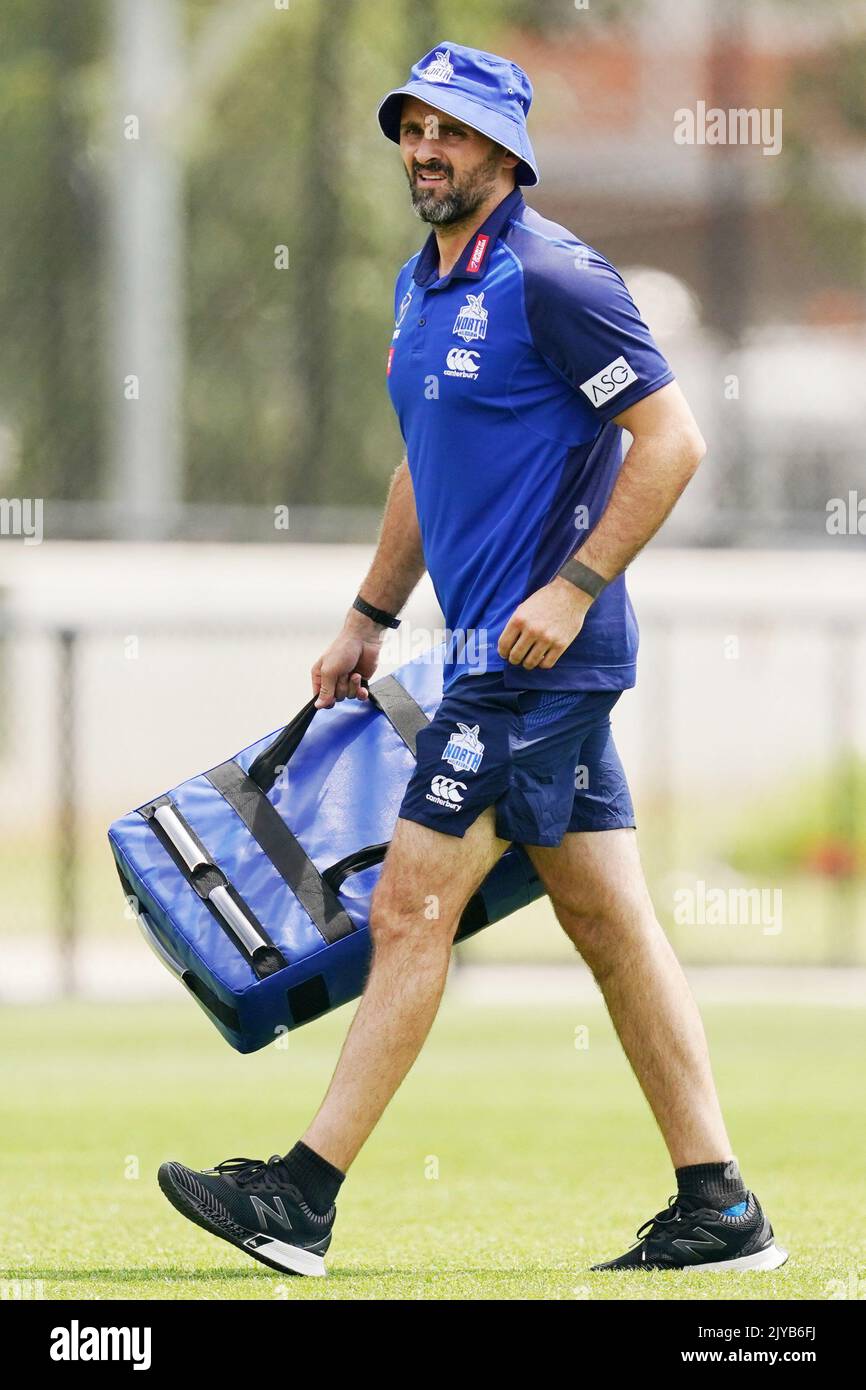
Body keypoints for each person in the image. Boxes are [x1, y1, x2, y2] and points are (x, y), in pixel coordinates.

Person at [159, 41, 787, 1278]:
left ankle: (301, 1196)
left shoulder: (555, 278)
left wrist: (572, 585)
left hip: (534, 662)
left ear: (506, 150)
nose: (424, 149)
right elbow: (420, 469)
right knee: (608, 921)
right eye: (410, 128)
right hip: (479, 656)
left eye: (448, 130)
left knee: (408, 907)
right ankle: (719, 1205)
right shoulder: (419, 284)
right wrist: (366, 613)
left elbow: (669, 442)